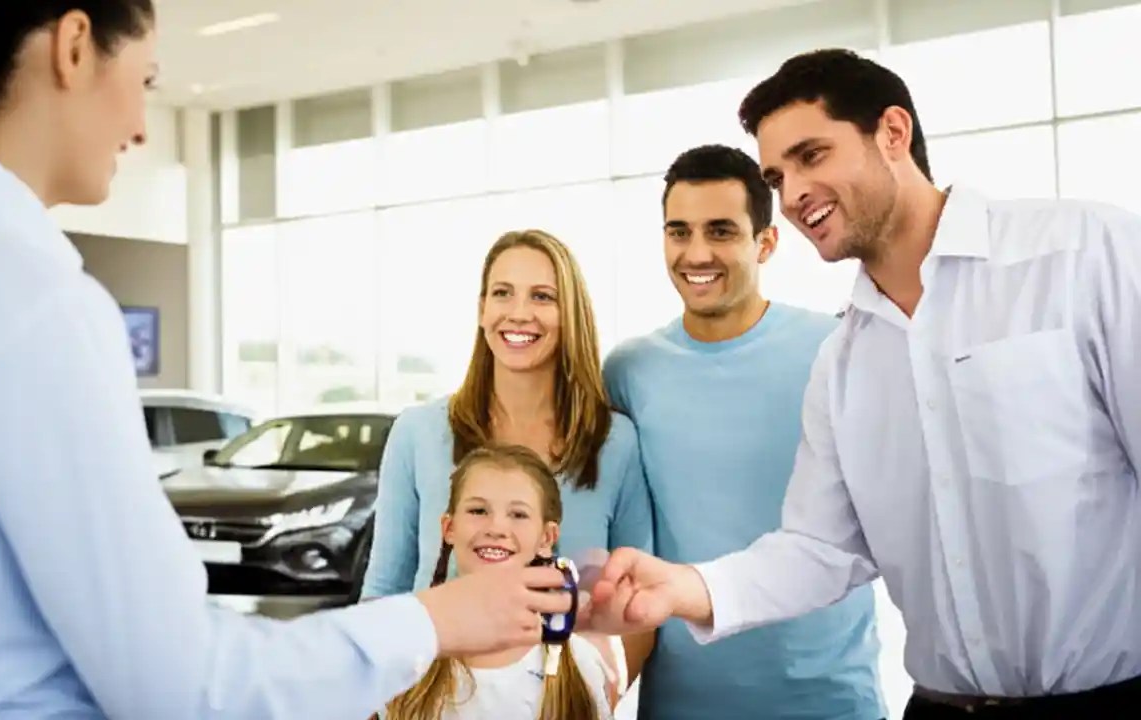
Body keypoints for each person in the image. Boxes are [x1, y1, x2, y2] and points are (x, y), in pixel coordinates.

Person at [0, 3, 572, 718]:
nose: (142, 125)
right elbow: (186, 685)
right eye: (146, 80)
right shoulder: (27, 303)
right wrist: (436, 619)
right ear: (75, 46)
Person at [582, 47, 1141, 718]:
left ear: (893, 134)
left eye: (811, 157)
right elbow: (821, 550)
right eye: (776, 175)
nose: (791, 196)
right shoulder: (842, 360)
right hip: (939, 708)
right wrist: (684, 587)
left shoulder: (1084, 255)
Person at [602, 143, 884, 720]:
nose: (696, 252)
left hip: (829, 703)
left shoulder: (832, 350)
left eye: (721, 231)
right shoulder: (628, 371)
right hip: (681, 704)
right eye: (678, 231)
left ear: (767, 242)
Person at [361, 229, 657, 681]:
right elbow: (383, 594)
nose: (519, 314)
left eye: (542, 296)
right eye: (503, 293)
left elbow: (638, 608)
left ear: (569, 314)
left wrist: (595, 702)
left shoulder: (614, 442)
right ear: (482, 309)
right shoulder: (417, 433)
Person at [379, 444, 617, 720]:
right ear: (449, 528)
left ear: (546, 538)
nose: (496, 528)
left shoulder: (580, 664)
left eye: (518, 514)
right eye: (478, 511)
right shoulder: (402, 658)